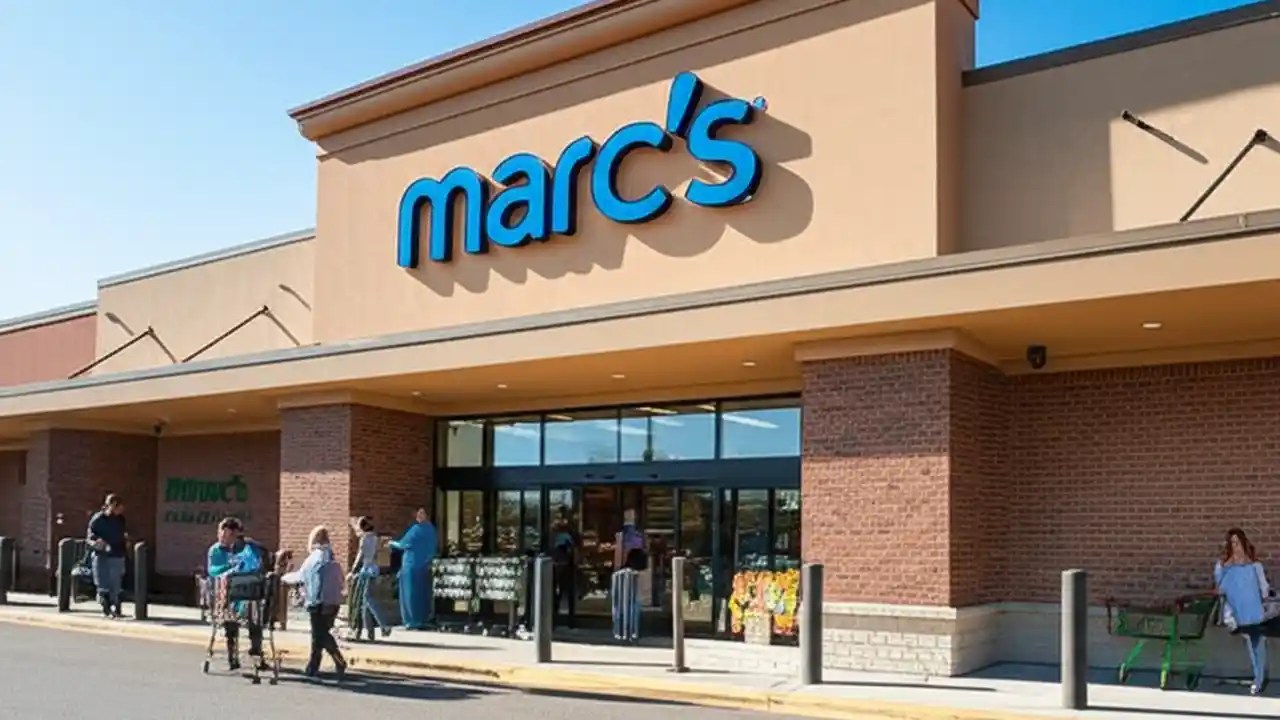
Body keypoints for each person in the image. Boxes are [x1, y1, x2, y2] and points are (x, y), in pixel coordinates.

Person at [1214, 528, 1277, 696]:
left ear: (1243, 542)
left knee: (1258, 644)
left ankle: (1259, 678)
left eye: (1237, 542)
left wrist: (1265, 596)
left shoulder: (1254, 565)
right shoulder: (1224, 566)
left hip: (1255, 611)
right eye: (1232, 543)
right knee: (1251, 643)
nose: (1235, 546)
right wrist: (1226, 567)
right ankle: (1258, 676)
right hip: (1238, 611)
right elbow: (1220, 589)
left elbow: (1264, 587)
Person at [282, 525, 347, 680]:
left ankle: (336, 661)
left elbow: (302, 576)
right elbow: (340, 579)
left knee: (319, 635)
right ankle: (313, 666)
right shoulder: (331, 557)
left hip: (318, 601)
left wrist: (283, 578)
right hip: (333, 601)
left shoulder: (313, 559)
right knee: (321, 634)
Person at [207, 517, 264, 671]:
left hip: (247, 595)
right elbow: (212, 570)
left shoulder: (246, 549)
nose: (226, 539)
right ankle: (232, 655)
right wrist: (229, 567)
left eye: (231, 536)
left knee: (255, 616)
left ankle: (257, 652)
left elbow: (256, 566)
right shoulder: (215, 550)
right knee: (230, 620)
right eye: (223, 535)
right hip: (226, 596)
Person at [389, 507, 436, 630]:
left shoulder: (416, 529)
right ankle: (422, 618)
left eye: (421, 514)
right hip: (424, 565)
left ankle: (411, 620)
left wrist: (390, 542)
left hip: (411, 565)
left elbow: (403, 544)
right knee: (422, 593)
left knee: (409, 594)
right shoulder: (431, 529)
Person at [348, 516, 390, 641]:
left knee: (366, 599)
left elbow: (360, 557)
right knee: (365, 604)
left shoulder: (365, 539)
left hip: (366, 571)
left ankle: (384, 625)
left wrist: (352, 570)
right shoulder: (376, 538)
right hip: (374, 571)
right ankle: (369, 633)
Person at [86, 494, 128, 618]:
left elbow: (122, 534)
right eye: (118, 507)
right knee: (103, 583)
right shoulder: (98, 519)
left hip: (117, 553)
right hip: (102, 554)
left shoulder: (121, 519)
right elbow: (90, 536)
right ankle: (106, 608)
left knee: (116, 583)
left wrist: (125, 542)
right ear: (112, 505)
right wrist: (97, 542)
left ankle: (116, 608)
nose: (121, 510)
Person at [550, 515, 578, 628]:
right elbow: (574, 551)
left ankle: (553, 620)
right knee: (568, 595)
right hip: (567, 568)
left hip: (557, 568)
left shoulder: (555, 537)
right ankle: (570, 621)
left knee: (556, 596)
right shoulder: (569, 537)